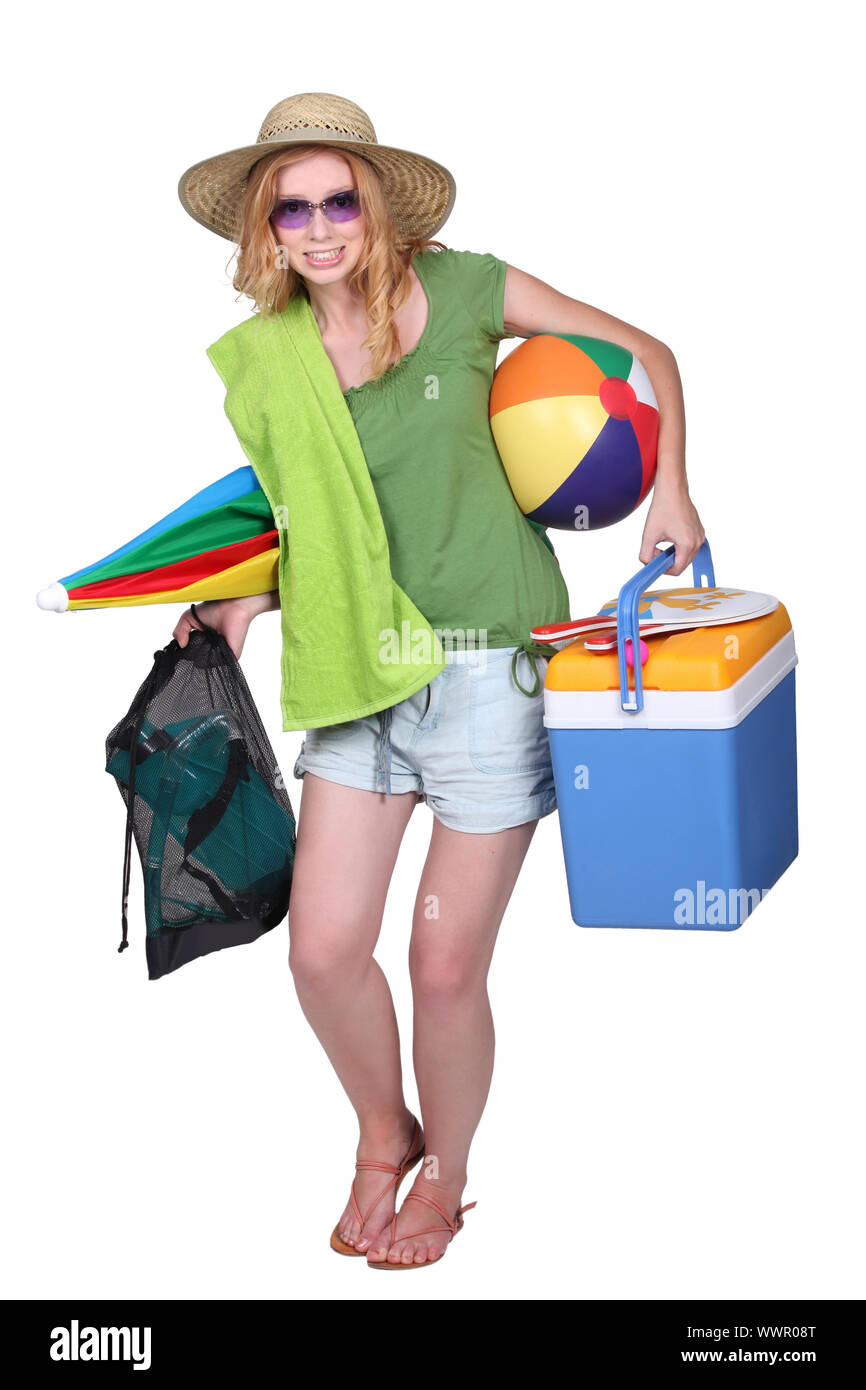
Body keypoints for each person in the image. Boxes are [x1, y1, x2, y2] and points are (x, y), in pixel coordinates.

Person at [174, 92, 705, 1269]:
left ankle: (449, 1173)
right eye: (291, 208)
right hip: (358, 672)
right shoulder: (268, 361)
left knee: (441, 959)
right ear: (266, 229)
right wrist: (236, 603)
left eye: (337, 199)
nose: (319, 227)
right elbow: (298, 519)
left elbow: (646, 354)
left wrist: (671, 487)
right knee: (320, 951)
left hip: (489, 673)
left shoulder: (463, 289)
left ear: (373, 202)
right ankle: (384, 1131)